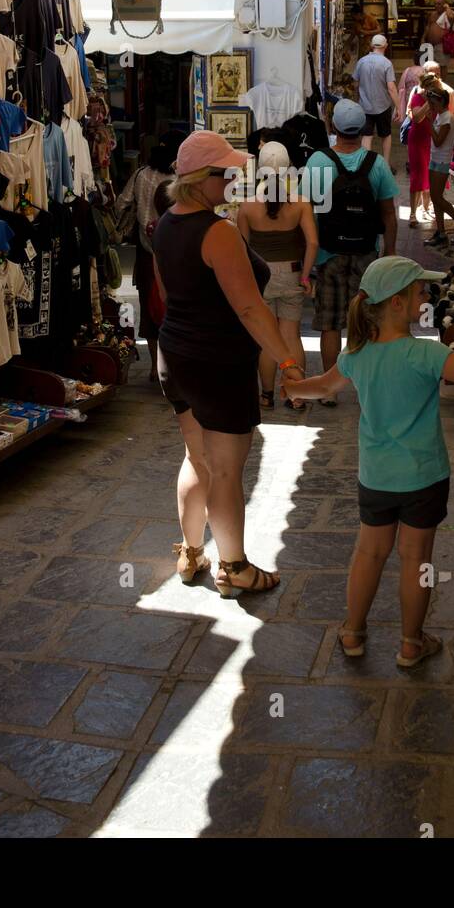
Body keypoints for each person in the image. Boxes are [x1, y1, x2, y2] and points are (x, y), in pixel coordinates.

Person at [283, 256, 454, 665]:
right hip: (423, 477)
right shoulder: (425, 355)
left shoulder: (357, 356)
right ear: (397, 302)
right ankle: (411, 644)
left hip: (376, 477)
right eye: (418, 290)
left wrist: (293, 387)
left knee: (368, 553)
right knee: (417, 560)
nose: (425, 295)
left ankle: (352, 633)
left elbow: (323, 385)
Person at [152, 130, 304, 596]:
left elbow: (166, 295)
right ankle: (234, 566)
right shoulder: (215, 232)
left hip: (175, 355)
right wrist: (288, 362)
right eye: (227, 174)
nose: (234, 180)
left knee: (196, 457)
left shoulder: (165, 225)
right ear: (200, 179)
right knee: (225, 469)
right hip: (217, 362)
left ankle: (192, 552)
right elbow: (250, 308)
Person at [305, 99, 398, 405]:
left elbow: (307, 211)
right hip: (366, 255)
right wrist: (390, 254)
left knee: (331, 322)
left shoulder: (318, 162)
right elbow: (388, 215)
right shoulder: (377, 164)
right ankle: (365, 385)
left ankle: (329, 390)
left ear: (334, 127)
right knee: (366, 323)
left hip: (328, 253)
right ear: (362, 129)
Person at [236, 141, 318, 410]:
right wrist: (306, 277)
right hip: (292, 274)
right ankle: (297, 395)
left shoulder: (247, 207)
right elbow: (313, 243)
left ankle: (267, 395)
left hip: (261, 277)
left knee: (266, 338)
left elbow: (242, 248)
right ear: (289, 171)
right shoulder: (300, 204)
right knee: (291, 335)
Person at [115, 130, 185, 382]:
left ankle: (155, 368)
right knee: (178, 309)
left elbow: (121, 203)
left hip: (147, 253)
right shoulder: (182, 178)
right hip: (179, 256)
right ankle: (175, 366)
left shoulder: (141, 175)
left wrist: (127, 224)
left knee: (150, 309)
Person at [353, 34, 400, 171]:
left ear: (372, 46)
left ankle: (366, 166)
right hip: (383, 105)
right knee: (385, 134)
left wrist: (358, 99)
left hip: (365, 105)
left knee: (367, 136)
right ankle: (385, 164)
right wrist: (399, 106)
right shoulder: (386, 63)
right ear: (385, 46)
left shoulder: (361, 61)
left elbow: (356, 83)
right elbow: (391, 87)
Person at [424, 86, 454, 247]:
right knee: (435, 198)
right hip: (435, 160)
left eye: (433, 104)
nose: (431, 107)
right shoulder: (441, 116)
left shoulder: (447, 118)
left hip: (442, 162)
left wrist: (429, 124)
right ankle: (440, 232)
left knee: (438, 198)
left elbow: (438, 141)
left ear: (441, 101)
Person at [406, 74, 434, 229]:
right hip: (417, 140)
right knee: (417, 175)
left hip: (432, 139)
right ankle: (412, 213)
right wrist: (428, 103)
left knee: (429, 174)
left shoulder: (439, 96)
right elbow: (416, 118)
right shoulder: (417, 97)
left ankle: (425, 208)